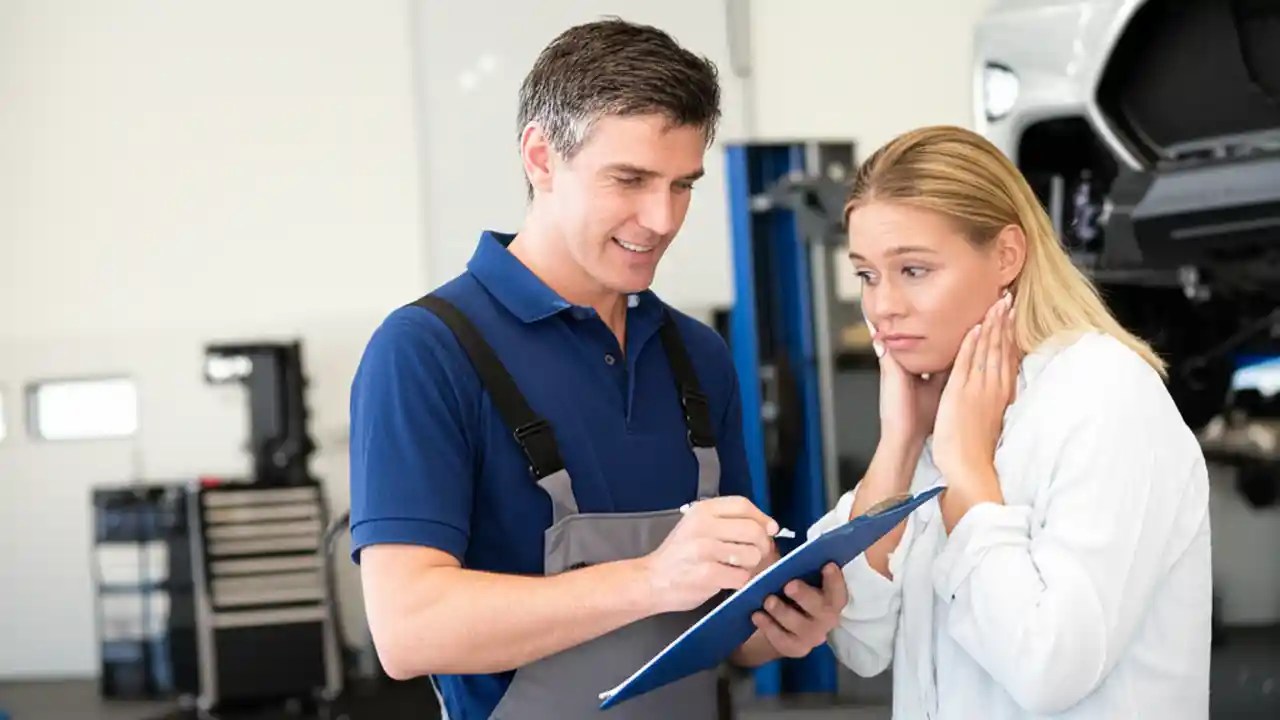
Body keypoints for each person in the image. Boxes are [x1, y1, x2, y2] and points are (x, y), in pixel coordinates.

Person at [348, 18, 845, 720]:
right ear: (541, 158)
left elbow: (725, 627)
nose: (662, 218)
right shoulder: (426, 351)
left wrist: (781, 626)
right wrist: (649, 580)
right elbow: (408, 628)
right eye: (631, 180)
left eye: (682, 185)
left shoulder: (696, 356)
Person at [812, 125, 1212, 719]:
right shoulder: (940, 398)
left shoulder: (1105, 396)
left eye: (914, 270)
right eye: (867, 275)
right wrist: (898, 445)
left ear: (1006, 255)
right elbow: (857, 637)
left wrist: (968, 469)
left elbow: (1047, 668)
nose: (883, 305)